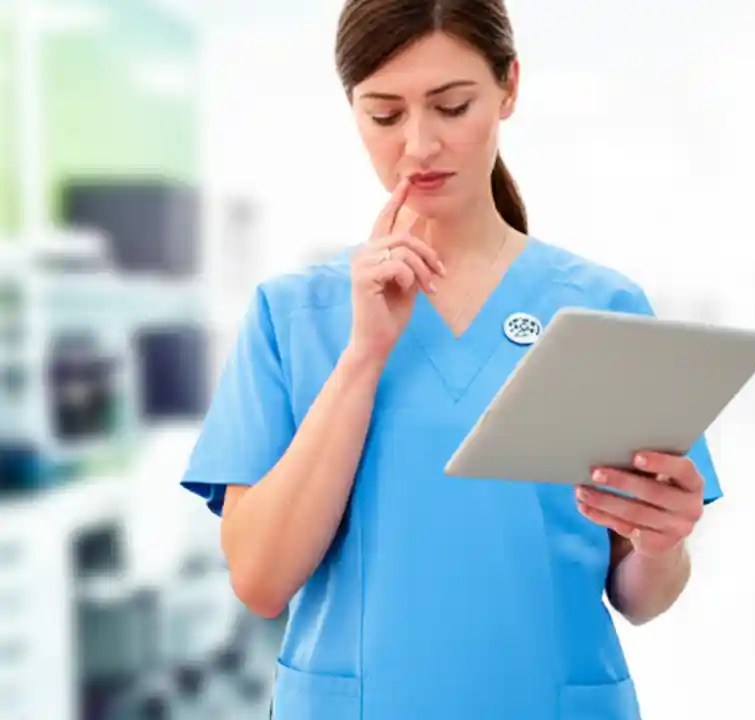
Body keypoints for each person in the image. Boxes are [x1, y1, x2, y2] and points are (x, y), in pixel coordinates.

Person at [178, 2, 721, 717]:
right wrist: (364, 357)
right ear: (352, 111)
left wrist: (661, 543)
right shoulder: (292, 317)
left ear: (509, 88)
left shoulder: (604, 309)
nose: (419, 144)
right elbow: (259, 579)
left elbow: (639, 597)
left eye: (452, 105)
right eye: (384, 115)